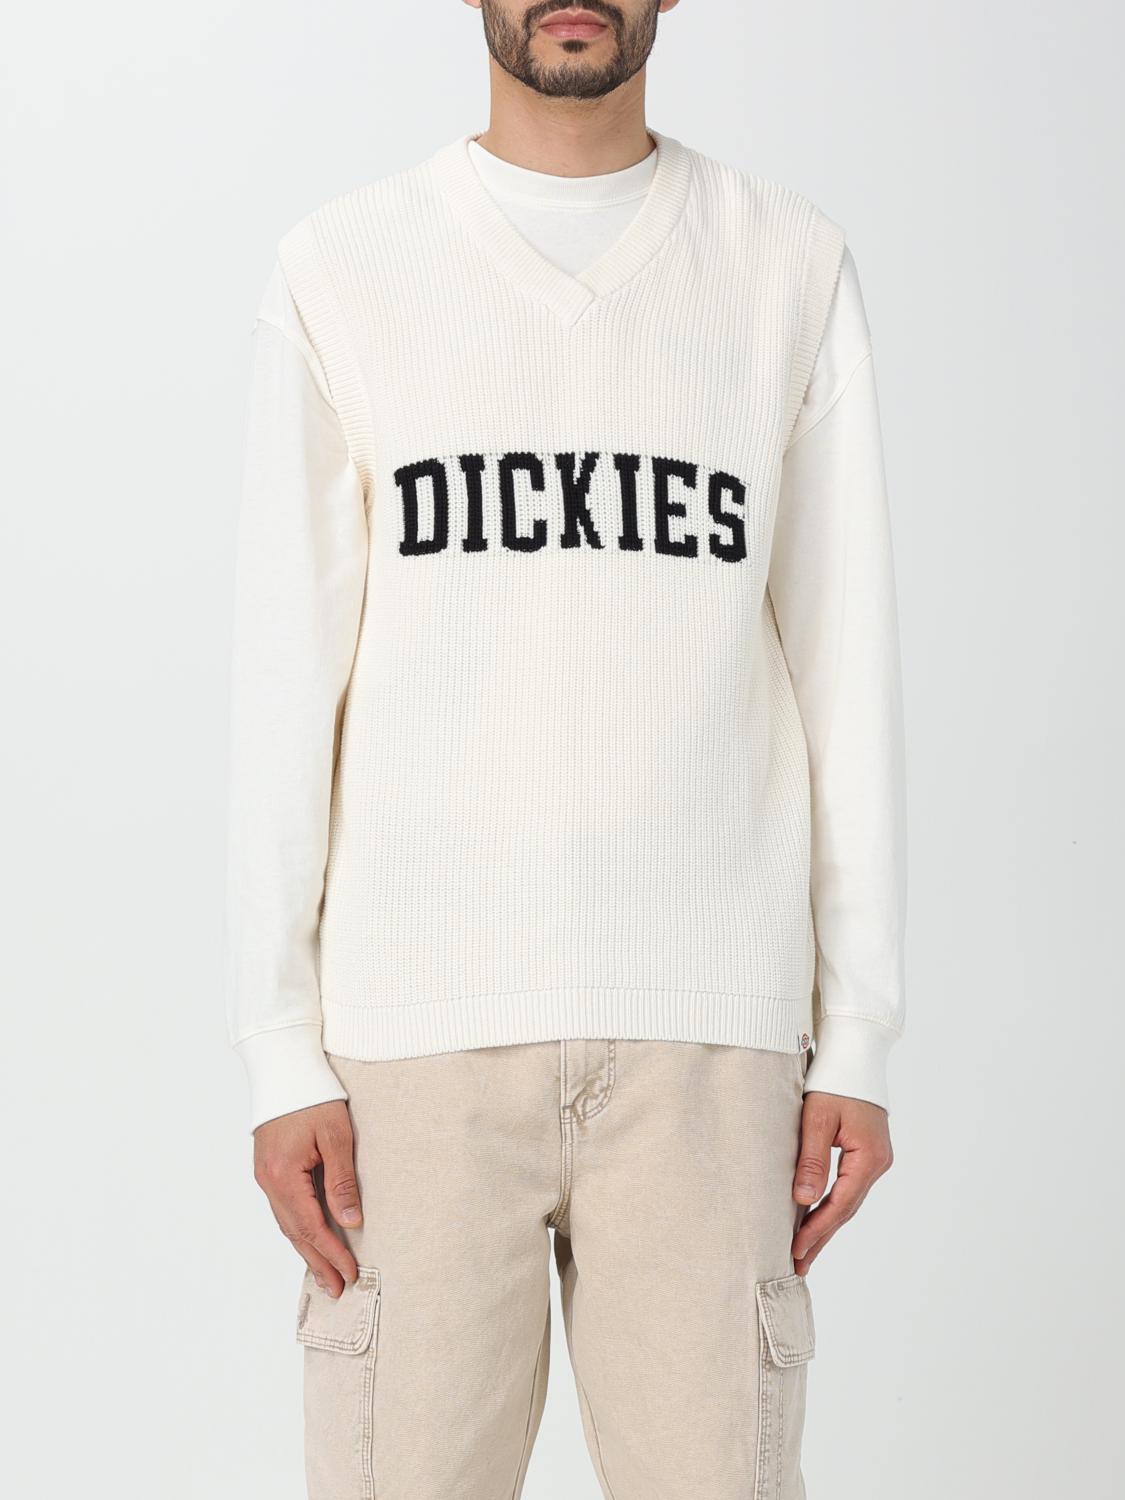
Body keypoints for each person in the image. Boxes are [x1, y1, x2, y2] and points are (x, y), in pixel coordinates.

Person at [225, 3, 907, 1495]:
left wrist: (856, 1031)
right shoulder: (344, 267)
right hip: (413, 1036)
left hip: (708, 1033)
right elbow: (287, 683)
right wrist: (280, 1048)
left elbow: (843, 664)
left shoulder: (785, 265)